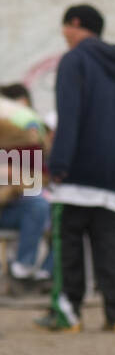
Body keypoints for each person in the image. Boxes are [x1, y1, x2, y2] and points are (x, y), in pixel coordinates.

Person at [36, 3, 115, 332]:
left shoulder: (74, 60)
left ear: (75, 24)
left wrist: (59, 164)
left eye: (64, 27)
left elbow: (70, 117)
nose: (63, 35)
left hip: (80, 172)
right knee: (110, 246)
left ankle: (67, 313)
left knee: (68, 244)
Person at [0, 91, 52, 282]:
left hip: (15, 208)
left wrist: (16, 182)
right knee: (38, 204)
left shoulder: (25, 147)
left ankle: (40, 274)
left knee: (62, 215)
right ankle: (23, 268)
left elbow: (37, 181)